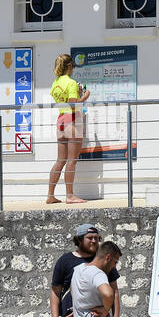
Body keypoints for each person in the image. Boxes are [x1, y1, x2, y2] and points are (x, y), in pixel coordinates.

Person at [47, 53, 90, 204]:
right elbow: (73, 104)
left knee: (60, 160)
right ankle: (70, 195)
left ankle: (50, 195)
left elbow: (64, 102)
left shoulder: (55, 84)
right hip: (72, 119)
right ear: (70, 66)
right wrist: (84, 96)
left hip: (60, 120)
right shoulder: (71, 83)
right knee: (72, 161)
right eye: (73, 67)